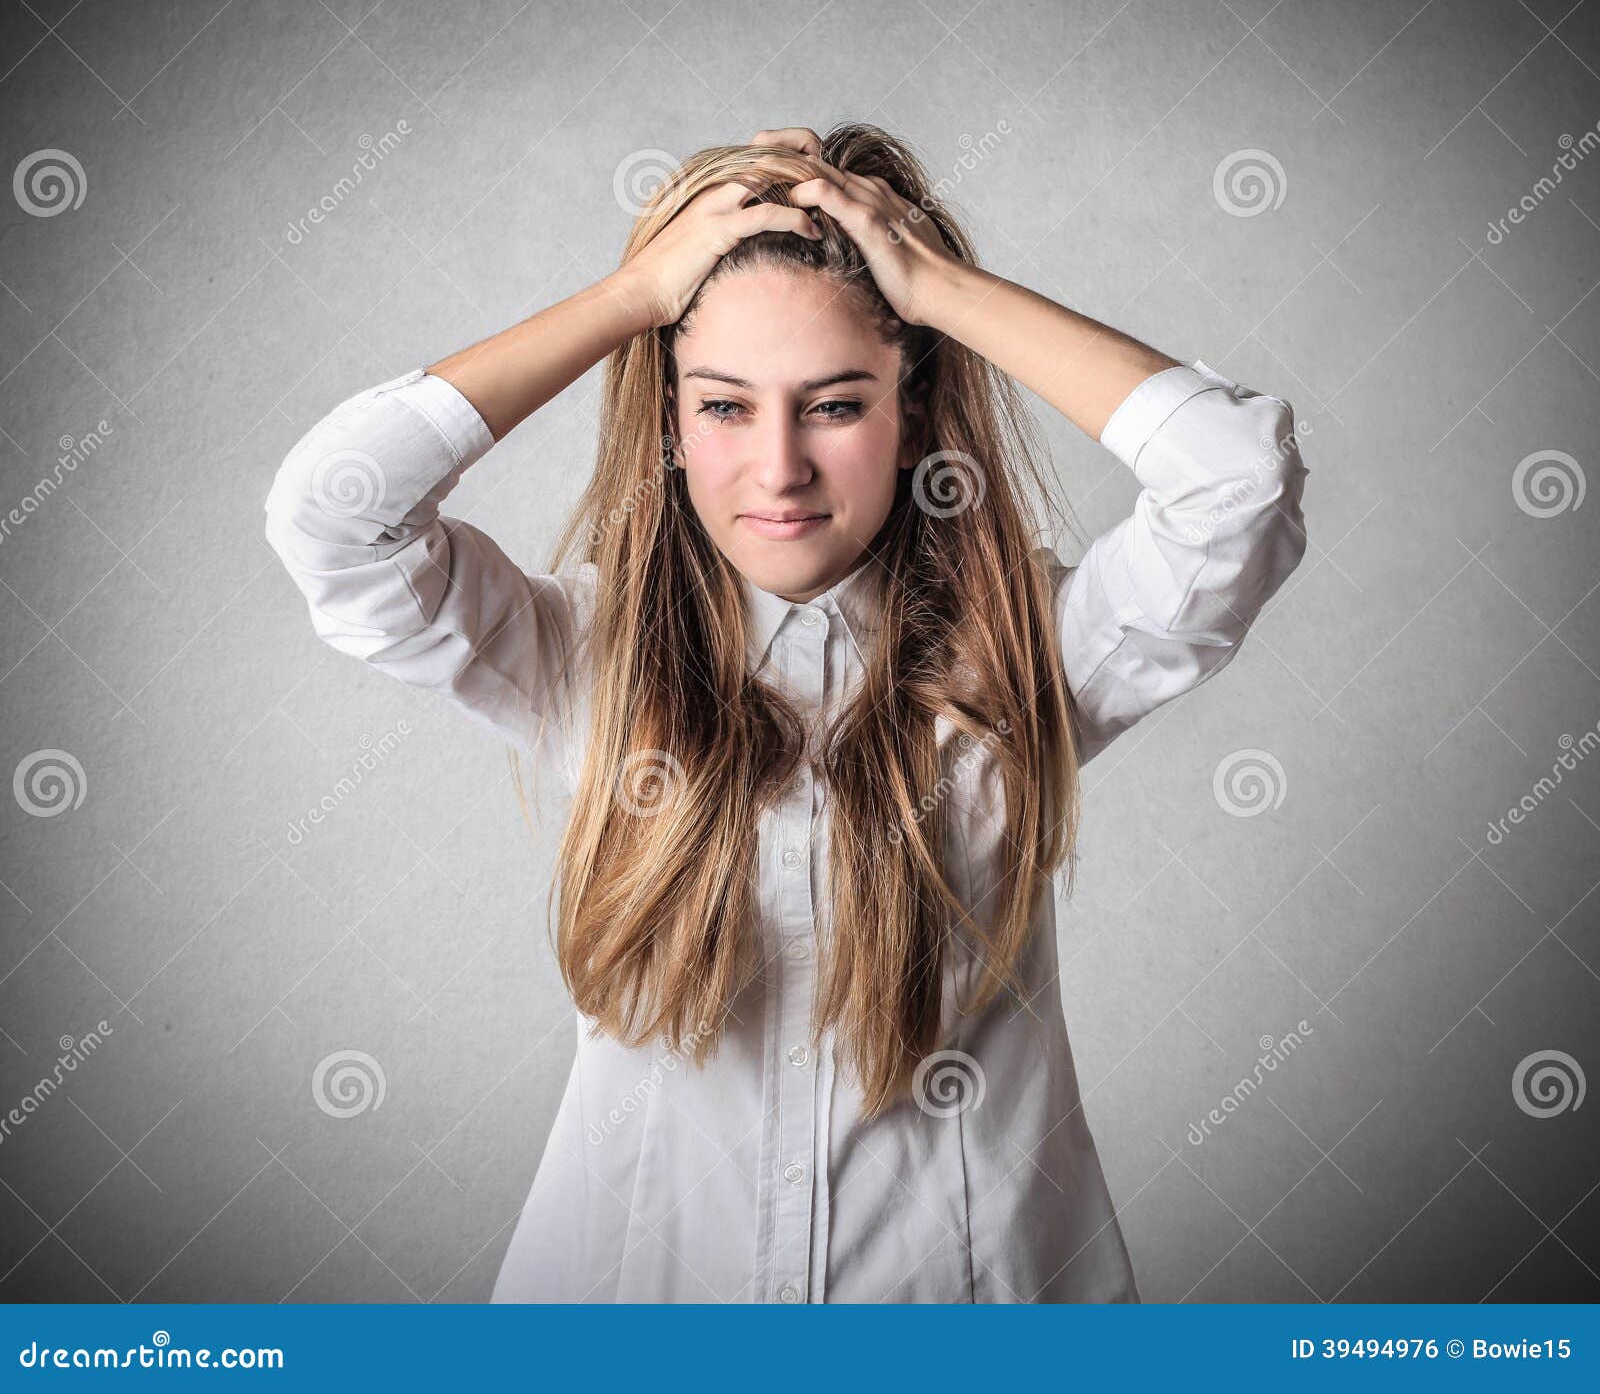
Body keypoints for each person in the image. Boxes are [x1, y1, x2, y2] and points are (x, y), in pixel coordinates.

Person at [263, 122, 1309, 1303]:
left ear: (914, 411)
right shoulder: (583, 656)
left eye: (834, 404)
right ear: (665, 421)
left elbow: (1240, 484)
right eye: (720, 407)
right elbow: (335, 519)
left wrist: (941, 290)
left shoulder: (1032, 659)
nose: (777, 469)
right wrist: (628, 298)